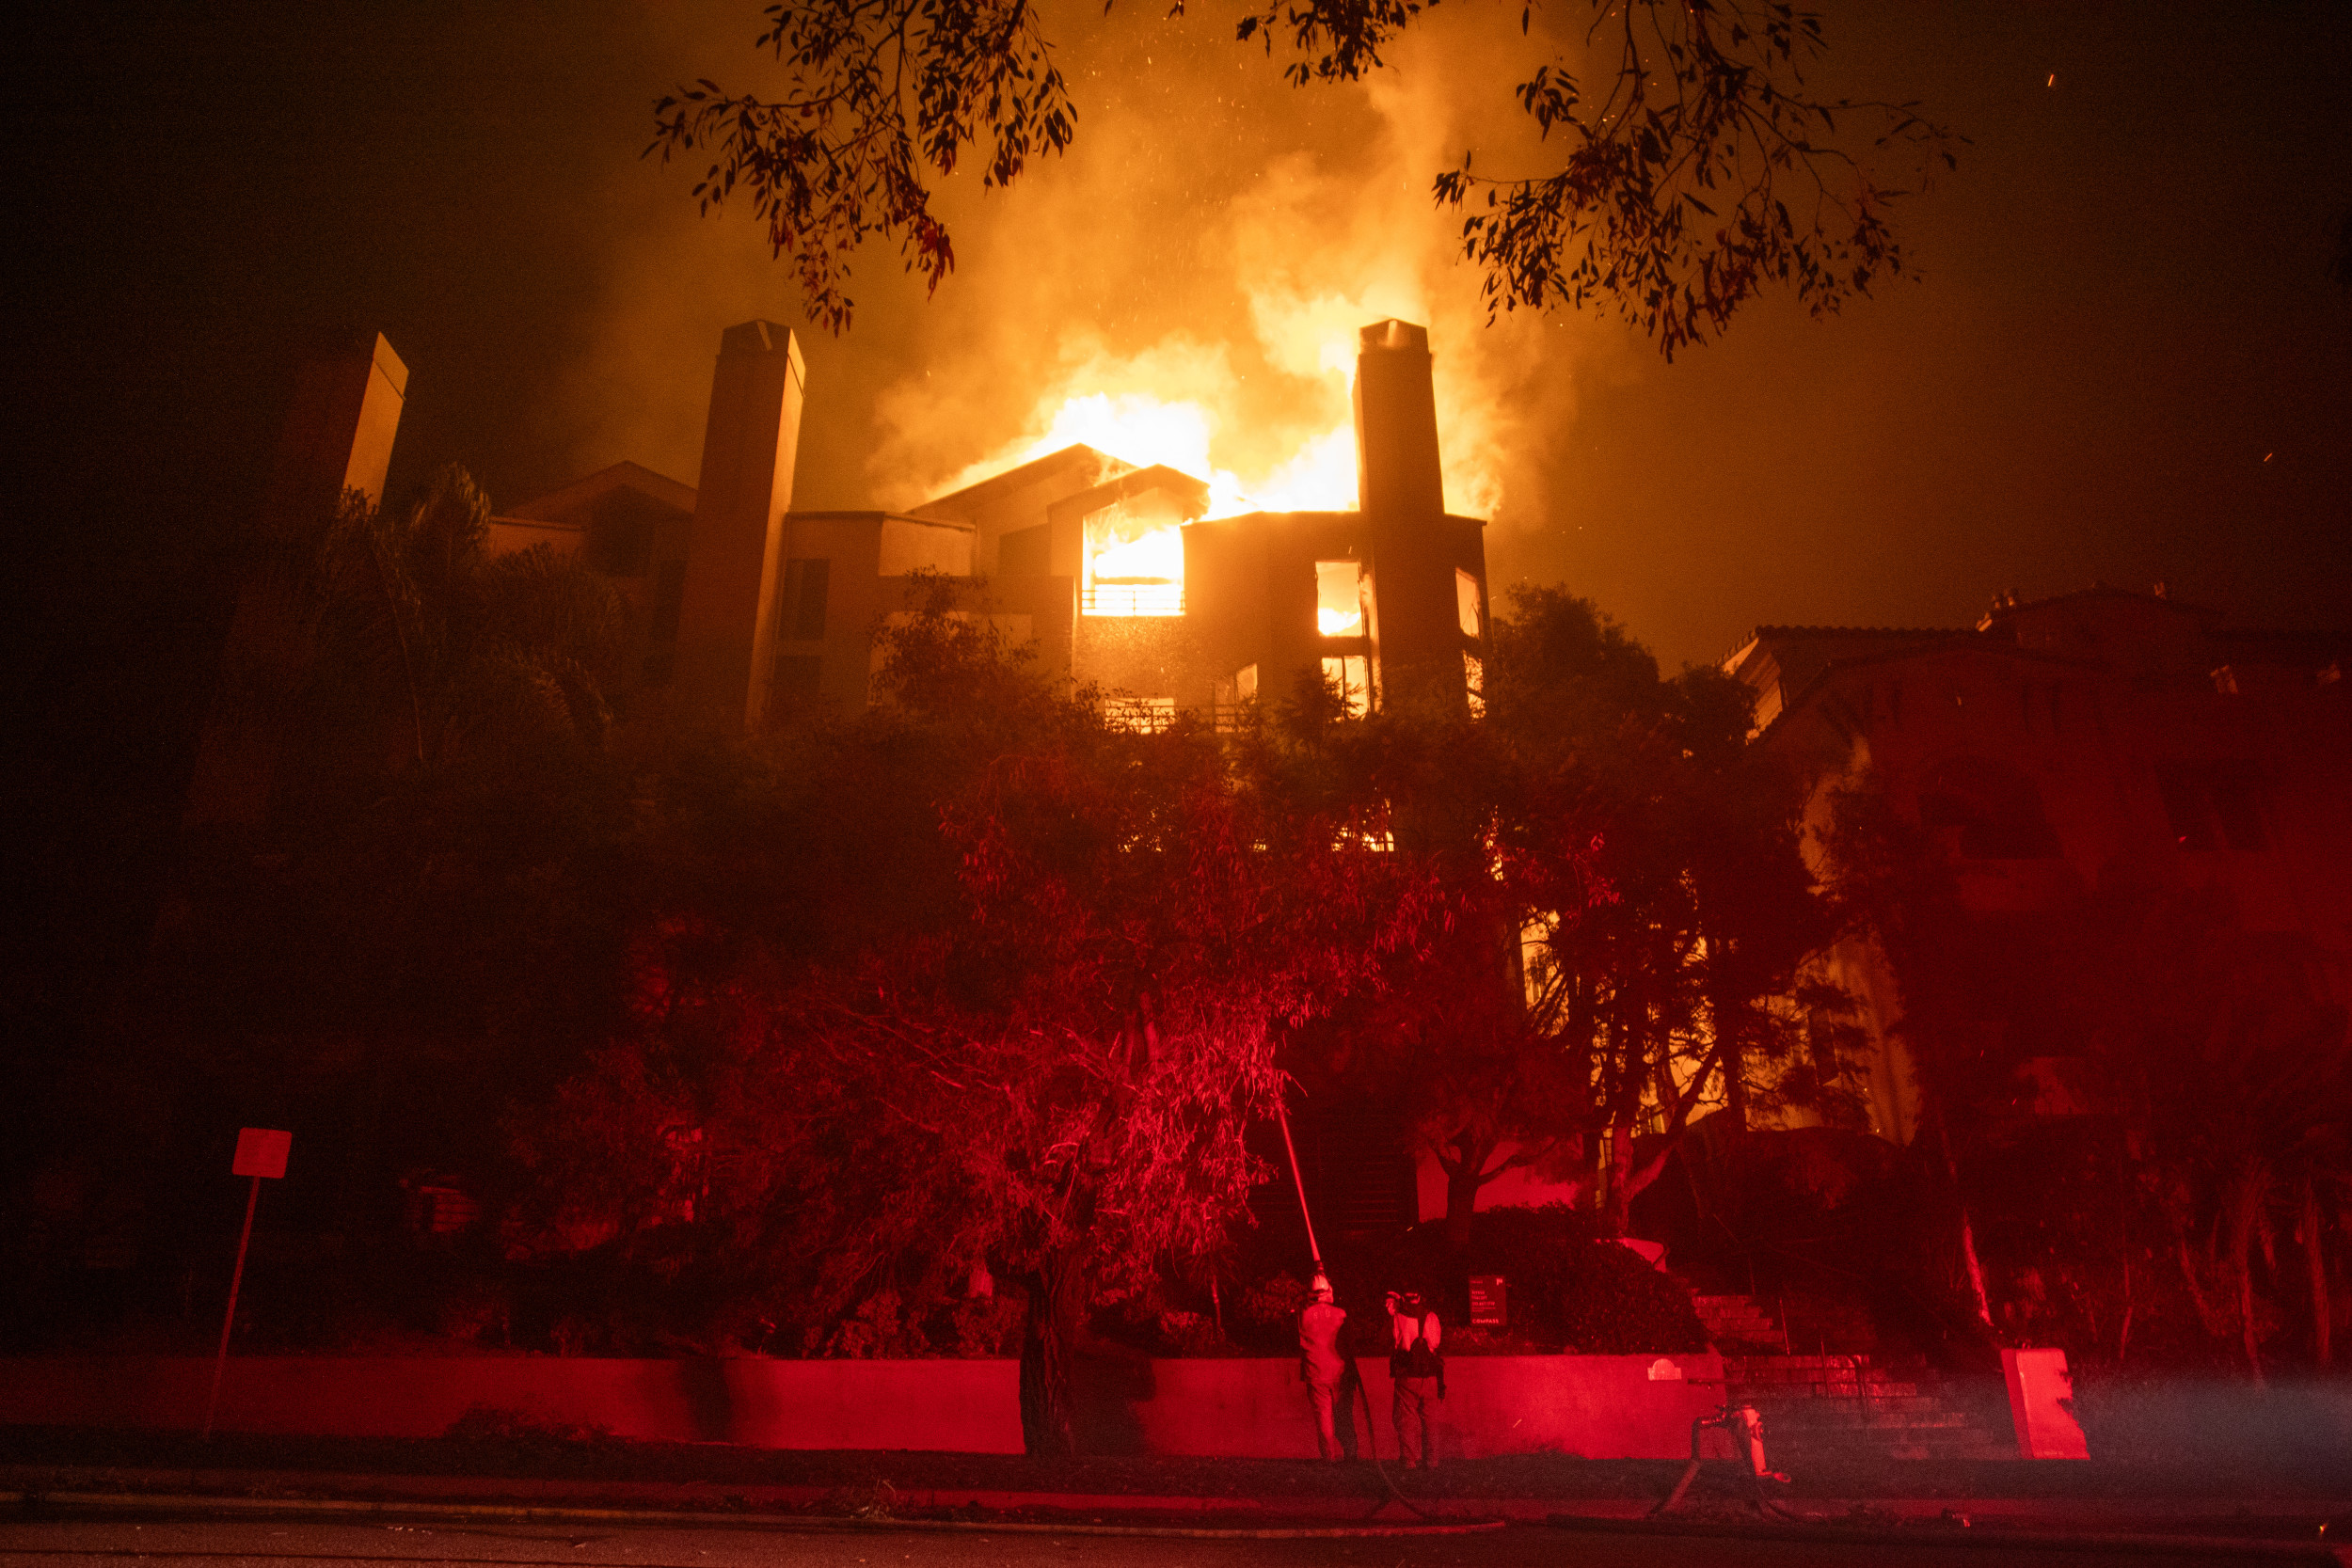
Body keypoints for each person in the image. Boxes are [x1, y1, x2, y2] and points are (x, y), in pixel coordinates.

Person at [1297, 1274, 1355, 1460]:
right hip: (1339, 1372)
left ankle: (1329, 1456)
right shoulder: (1341, 1314)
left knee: (1324, 1417)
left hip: (1316, 1373)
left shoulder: (1303, 1316)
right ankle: (1350, 1452)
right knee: (1343, 1414)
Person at [1386, 1288, 1444, 1467]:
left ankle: (1409, 1461)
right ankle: (1432, 1461)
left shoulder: (1398, 1317)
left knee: (1406, 1419)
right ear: (1419, 1298)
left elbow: (1395, 1341)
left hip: (1407, 1374)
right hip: (1430, 1374)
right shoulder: (1432, 1316)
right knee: (1431, 1421)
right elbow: (1435, 1343)